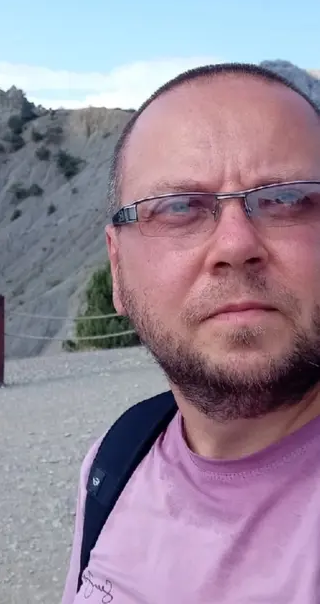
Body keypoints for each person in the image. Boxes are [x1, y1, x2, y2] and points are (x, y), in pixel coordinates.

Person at [61, 62, 320, 603]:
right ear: (118, 271)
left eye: (286, 199)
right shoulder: (116, 461)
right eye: (178, 208)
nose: (235, 245)